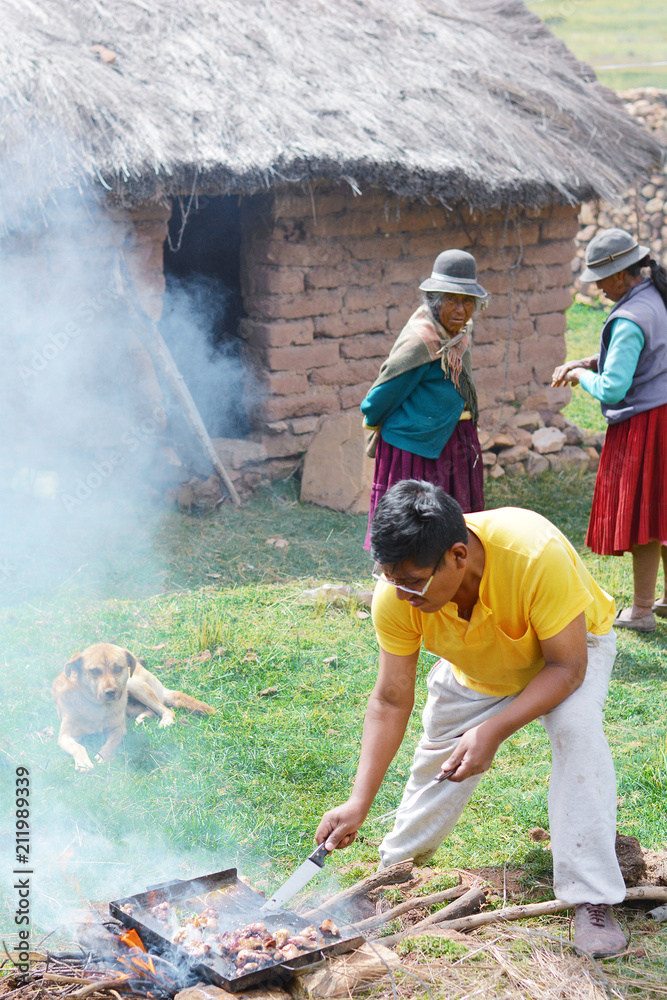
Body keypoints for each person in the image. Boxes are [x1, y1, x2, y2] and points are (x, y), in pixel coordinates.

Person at [315, 480, 627, 958]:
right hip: (478, 668)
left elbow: (567, 668)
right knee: (437, 760)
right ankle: (395, 873)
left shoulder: (533, 553)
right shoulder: (397, 593)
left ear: (458, 556)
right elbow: (390, 700)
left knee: (574, 731)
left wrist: (493, 731)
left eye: (415, 580)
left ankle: (592, 897)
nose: (402, 594)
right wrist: (359, 801)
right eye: (390, 578)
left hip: (566, 653)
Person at [552, 228, 667, 633]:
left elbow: (614, 387)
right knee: (665, 511)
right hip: (665, 415)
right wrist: (589, 360)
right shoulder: (656, 297)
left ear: (621, 274)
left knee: (646, 517)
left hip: (645, 425)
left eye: (601, 277)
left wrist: (582, 375)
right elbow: (645, 356)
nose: (597, 286)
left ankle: (640, 610)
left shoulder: (630, 318)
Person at [360, 250, 487, 549]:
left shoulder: (455, 335)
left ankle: (451, 576)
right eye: (451, 300)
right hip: (415, 448)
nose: (460, 309)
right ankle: (404, 581)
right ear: (434, 300)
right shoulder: (423, 340)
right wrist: (374, 420)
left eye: (467, 301)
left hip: (453, 440)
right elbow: (383, 395)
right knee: (414, 526)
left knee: (452, 525)